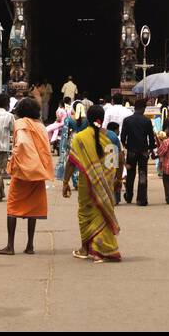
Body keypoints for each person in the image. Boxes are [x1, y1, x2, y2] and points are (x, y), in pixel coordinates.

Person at [62, 103, 121, 261]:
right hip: (105, 186)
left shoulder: (80, 138)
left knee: (85, 214)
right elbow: (113, 164)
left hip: (86, 185)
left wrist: (65, 182)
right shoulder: (111, 137)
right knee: (102, 213)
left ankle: (85, 248)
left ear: (87, 119)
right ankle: (103, 249)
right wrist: (118, 180)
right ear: (102, 119)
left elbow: (71, 162)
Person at [0, 97, 53, 255]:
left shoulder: (20, 123)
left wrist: (15, 158)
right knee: (33, 209)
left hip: (22, 171)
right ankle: (30, 245)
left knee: (13, 207)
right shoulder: (41, 126)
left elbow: (21, 143)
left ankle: (10, 246)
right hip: (38, 171)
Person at [120, 99, 157, 206]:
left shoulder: (127, 120)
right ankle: (141, 199)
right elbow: (151, 138)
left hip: (131, 150)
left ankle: (129, 195)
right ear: (143, 108)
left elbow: (123, 136)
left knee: (130, 174)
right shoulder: (147, 121)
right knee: (142, 174)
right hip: (143, 151)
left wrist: (125, 146)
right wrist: (151, 149)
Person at [56, 100, 84, 180]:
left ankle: (75, 179)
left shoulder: (68, 119)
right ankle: (79, 179)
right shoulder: (86, 120)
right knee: (81, 160)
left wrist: (63, 147)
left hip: (73, 140)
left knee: (73, 160)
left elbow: (65, 134)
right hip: (83, 140)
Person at [105, 120, 125, 204]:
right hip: (112, 158)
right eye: (118, 130)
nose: (119, 131)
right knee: (115, 178)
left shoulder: (103, 135)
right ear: (115, 130)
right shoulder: (115, 138)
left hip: (104, 160)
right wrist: (120, 177)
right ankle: (115, 199)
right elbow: (121, 155)